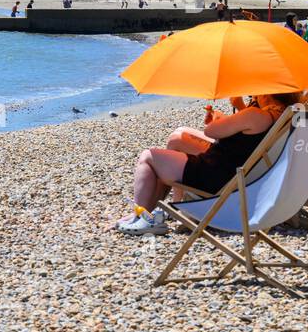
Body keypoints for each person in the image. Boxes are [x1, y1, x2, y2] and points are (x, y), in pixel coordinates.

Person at [117, 94, 298, 235]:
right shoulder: (280, 113)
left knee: (148, 156)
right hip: (230, 171)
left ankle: (141, 217)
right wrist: (237, 113)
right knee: (169, 150)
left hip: (214, 175)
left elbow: (211, 131)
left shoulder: (256, 115)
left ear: (266, 91)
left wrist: (219, 118)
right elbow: (248, 136)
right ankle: (149, 213)